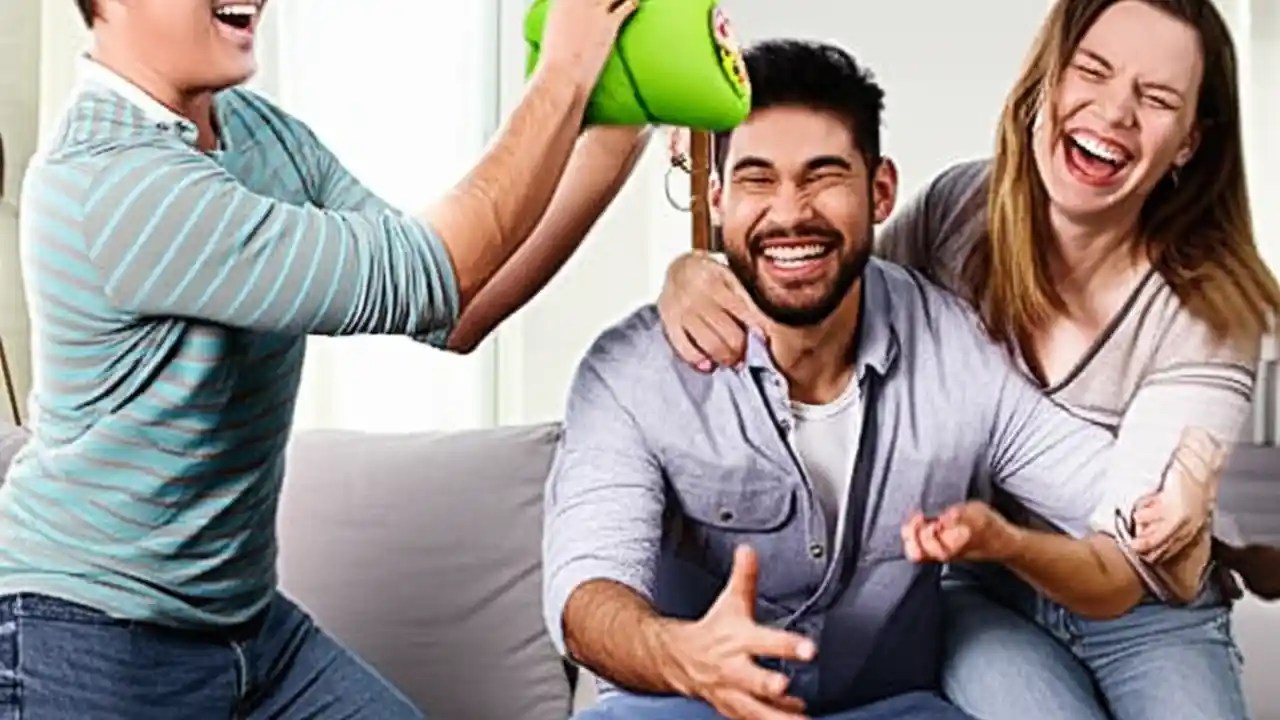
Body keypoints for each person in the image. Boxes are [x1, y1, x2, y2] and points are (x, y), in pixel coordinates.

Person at [0, 0, 649, 716]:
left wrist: (614, 140)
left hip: (249, 630)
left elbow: (454, 308)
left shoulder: (259, 135)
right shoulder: (107, 181)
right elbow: (426, 272)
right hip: (90, 639)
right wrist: (563, 73)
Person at [542, 39, 1219, 720]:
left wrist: (1178, 501)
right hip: (687, 707)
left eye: (823, 175)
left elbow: (1107, 492)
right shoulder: (631, 372)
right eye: (756, 179)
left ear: (881, 190)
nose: (790, 212)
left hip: (892, 707)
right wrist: (681, 654)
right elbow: (587, 595)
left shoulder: (955, 351)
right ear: (717, 199)